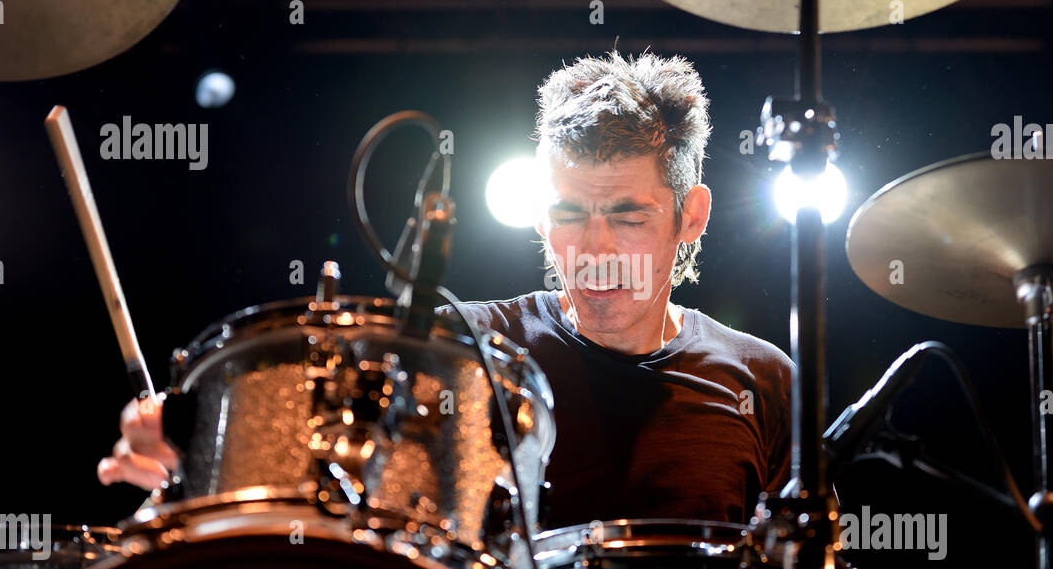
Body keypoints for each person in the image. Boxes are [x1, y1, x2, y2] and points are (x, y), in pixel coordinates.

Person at [99, 50, 795, 528]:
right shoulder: (464, 346)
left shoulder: (763, 379)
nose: (596, 247)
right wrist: (202, 445)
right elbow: (333, 467)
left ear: (691, 214)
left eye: (628, 215)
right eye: (568, 213)